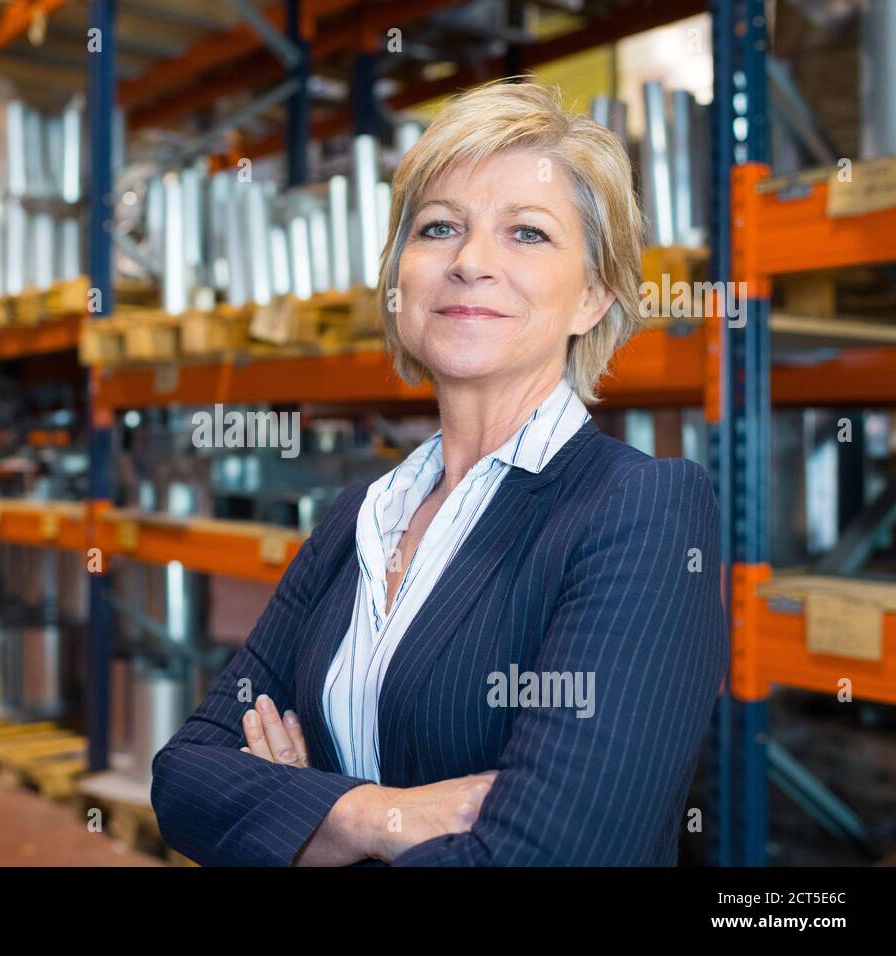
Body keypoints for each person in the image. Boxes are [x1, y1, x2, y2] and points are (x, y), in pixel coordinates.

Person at [150, 78, 728, 866]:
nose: (469, 262)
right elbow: (185, 778)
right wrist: (372, 818)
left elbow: (540, 860)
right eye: (438, 227)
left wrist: (298, 823)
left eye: (526, 233)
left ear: (593, 296)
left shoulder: (641, 510)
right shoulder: (363, 514)